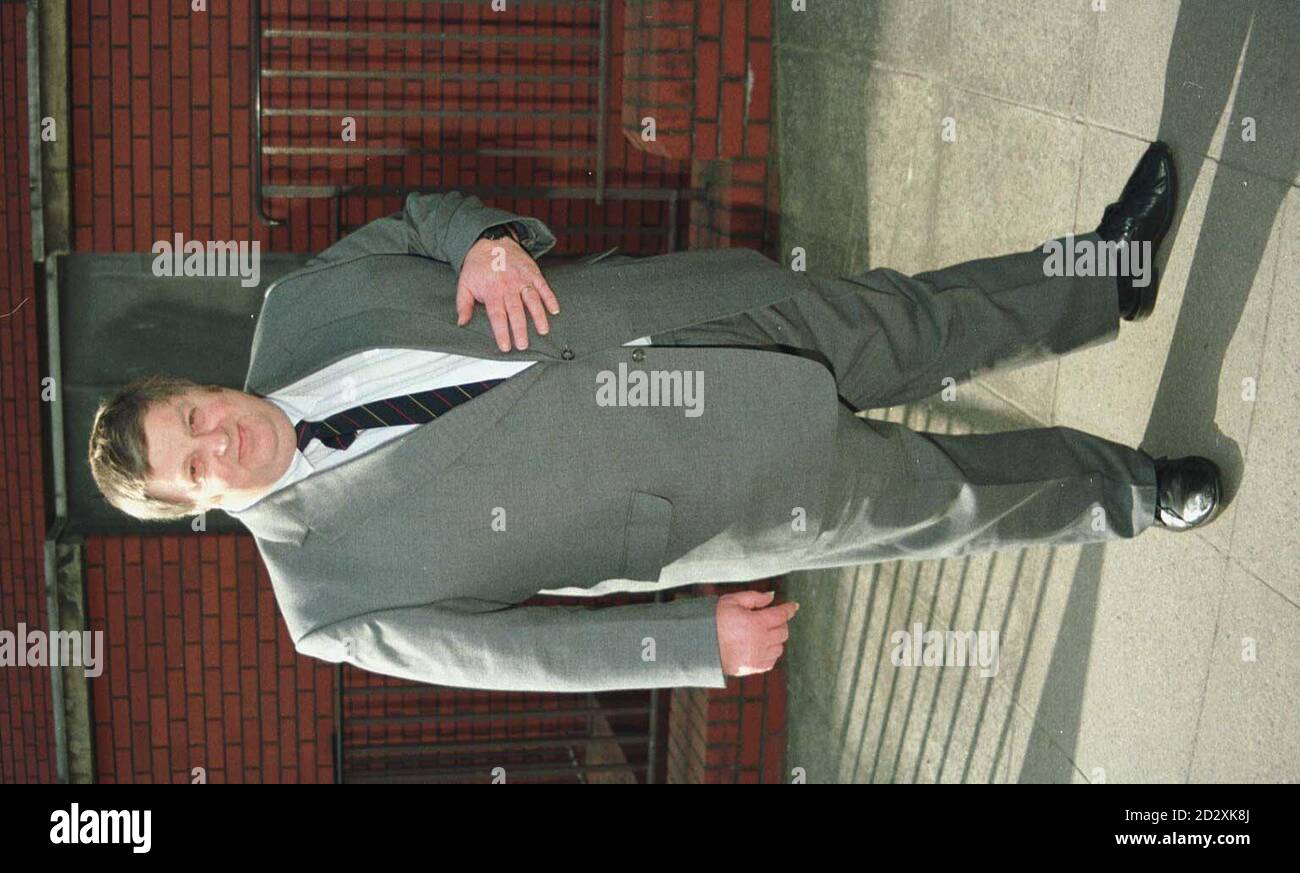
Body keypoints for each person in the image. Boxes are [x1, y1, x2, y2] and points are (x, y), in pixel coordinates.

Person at [87, 141, 1221, 693]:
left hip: (690, 315)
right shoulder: (325, 603)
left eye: (192, 415)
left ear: (197, 387)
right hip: (710, 491)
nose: (215, 440)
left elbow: (414, 221)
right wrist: (688, 645)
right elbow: (513, 657)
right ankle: (1138, 493)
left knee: (917, 317)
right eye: (192, 466)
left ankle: (1105, 272)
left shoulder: (298, 308)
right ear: (193, 503)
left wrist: (480, 242)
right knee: (953, 503)